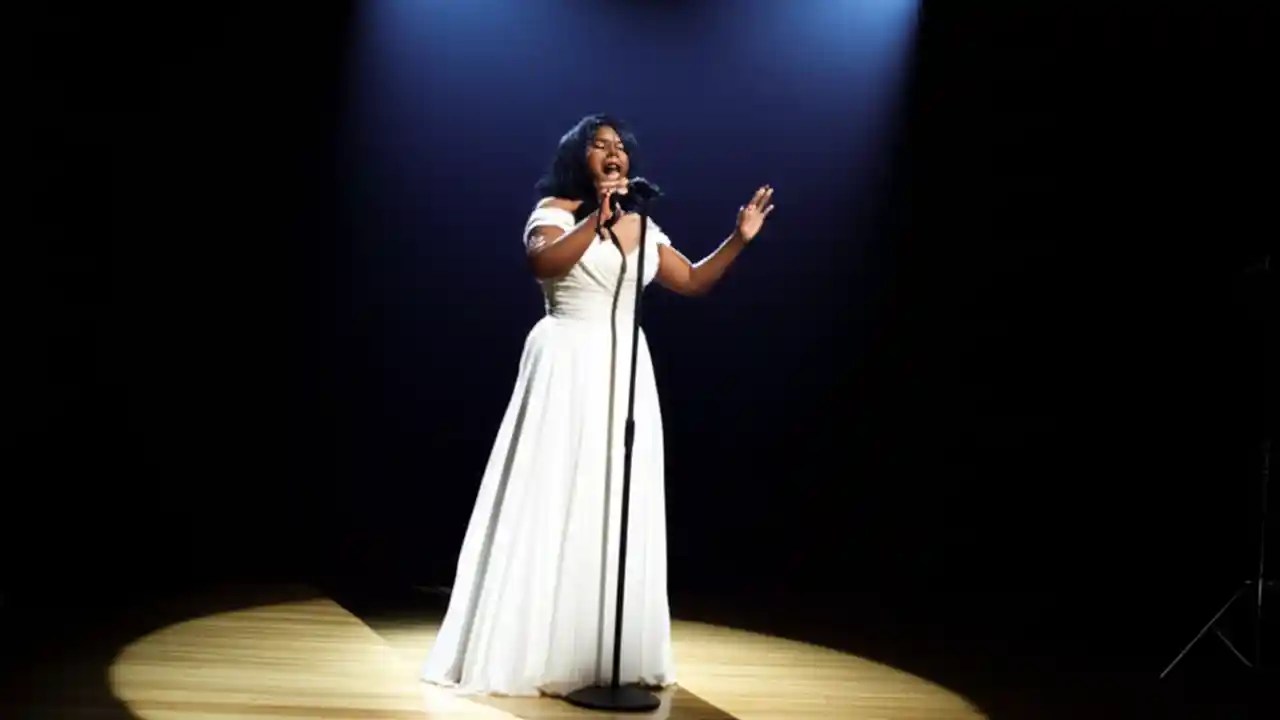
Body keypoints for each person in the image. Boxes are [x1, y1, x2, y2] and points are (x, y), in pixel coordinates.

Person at [420, 113, 774, 698]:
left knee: (611, 501)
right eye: (599, 145)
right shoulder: (556, 211)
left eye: (620, 147)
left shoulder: (644, 224)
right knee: (555, 492)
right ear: (579, 159)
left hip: (625, 372)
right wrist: (596, 221)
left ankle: (595, 650)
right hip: (565, 361)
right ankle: (533, 648)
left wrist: (738, 239)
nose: (613, 153)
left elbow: (690, 281)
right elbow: (544, 263)